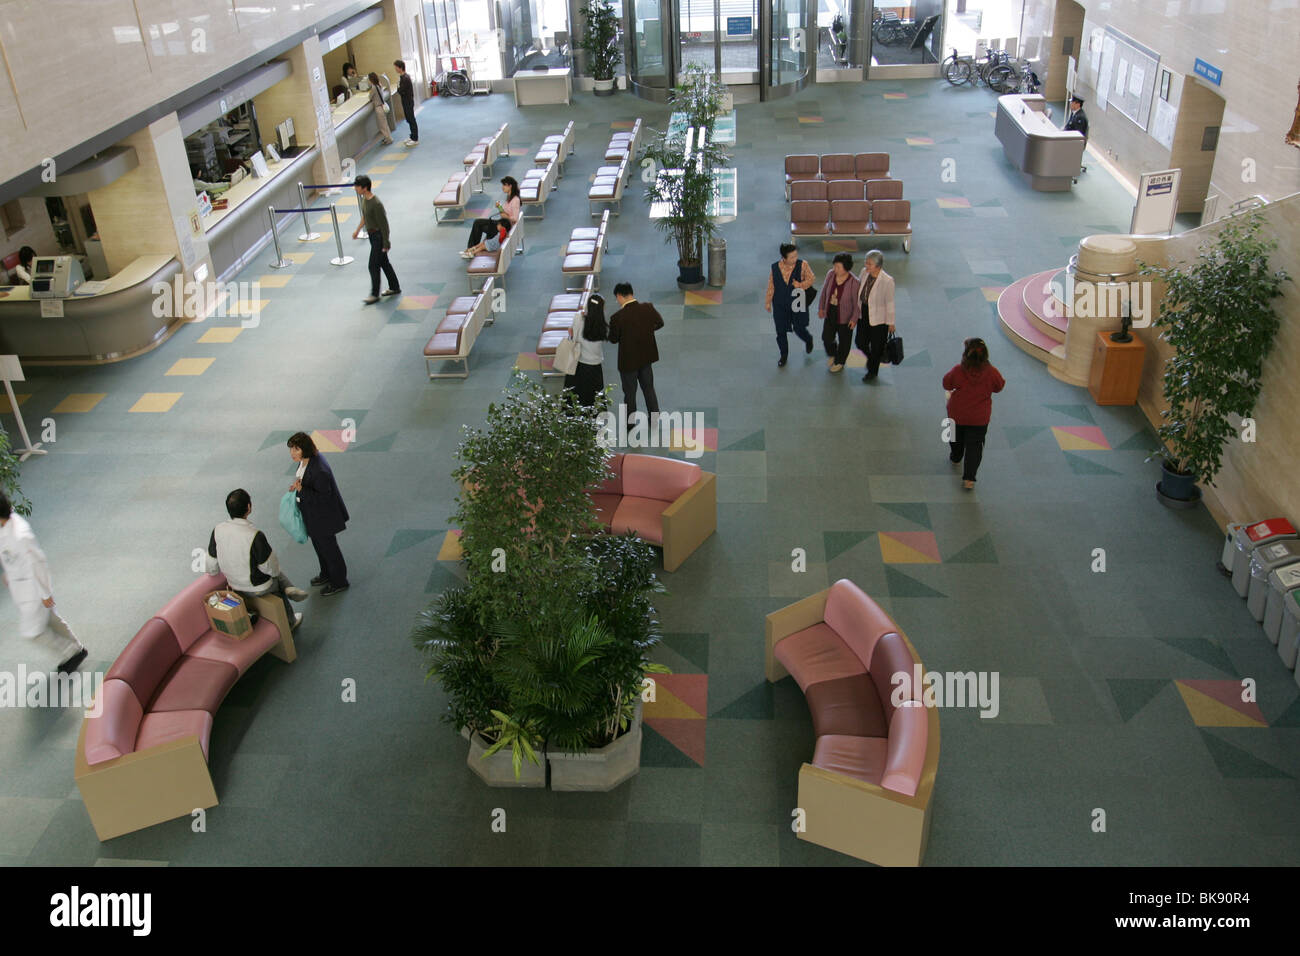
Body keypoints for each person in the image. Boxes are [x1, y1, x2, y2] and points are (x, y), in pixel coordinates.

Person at [0, 492, 87, 673]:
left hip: (34, 591)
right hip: (23, 586)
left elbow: (38, 563)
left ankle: (71, 652)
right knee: (53, 620)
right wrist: (9, 573)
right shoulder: (5, 528)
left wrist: (45, 593)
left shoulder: (20, 534)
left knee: (33, 633)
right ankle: (78, 648)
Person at [205, 489, 306, 628]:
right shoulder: (255, 535)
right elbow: (271, 569)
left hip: (234, 586)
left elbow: (211, 566)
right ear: (248, 507)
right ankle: (290, 618)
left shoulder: (217, 530)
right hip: (258, 587)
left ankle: (288, 587)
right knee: (276, 576)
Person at [287, 432, 350, 596]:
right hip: (313, 516)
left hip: (323, 517)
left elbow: (324, 497)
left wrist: (303, 490)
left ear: (305, 449)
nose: (292, 453)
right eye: (291, 449)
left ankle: (339, 581)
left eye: (296, 449)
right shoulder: (305, 461)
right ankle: (326, 574)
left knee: (329, 550)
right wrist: (298, 487)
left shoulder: (319, 470)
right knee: (319, 547)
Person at [943, 338, 1006, 490]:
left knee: (953, 435)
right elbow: (999, 386)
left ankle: (956, 456)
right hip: (979, 418)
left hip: (957, 413)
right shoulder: (991, 372)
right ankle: (969, 478)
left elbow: (947, 383)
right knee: (975, 447)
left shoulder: (958, 370)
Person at [608, 282, 664, 422]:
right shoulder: (648, 308)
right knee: (649, 389)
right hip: (646, 357)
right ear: (632, 293)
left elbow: (613, 339)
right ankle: (655, 419)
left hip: (628, 362)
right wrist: (647, 331)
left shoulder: (617, 317)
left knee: (630, 394)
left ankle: (631, 424)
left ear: (620, 296)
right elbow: (660, 323)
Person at [764, 243, 816, 367]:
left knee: (799, 328)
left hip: (798, 302)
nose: (795, 259)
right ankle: (784, 354)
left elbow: (812, 278)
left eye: (796, 256)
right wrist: (768, 302)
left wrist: (801, 285)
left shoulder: (803, 265)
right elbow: (771, 285)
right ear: (784, 258)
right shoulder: (775, 268)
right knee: (780, 331)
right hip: (780, 304)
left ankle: (808, 339)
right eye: (791, 257)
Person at [351, 175, 400, 305]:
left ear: (365, 188)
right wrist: (357, 230)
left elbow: (384, 225)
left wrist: (386, 243)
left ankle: (374, 294)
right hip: (372, 237)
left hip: (379, 237)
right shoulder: (365, 200)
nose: (355, 188)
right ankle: (395, 287)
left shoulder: (376, 204)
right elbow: (365, 217)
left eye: (357, 186)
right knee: (384, 263)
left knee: (373, 265)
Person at [856, 249, 896, 383]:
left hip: (879, 319)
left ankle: (872, 371)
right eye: (866, 263)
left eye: (869, 264)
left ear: (878, 266)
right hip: (864, 313)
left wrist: (891, 322)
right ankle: (872, 358)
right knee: (860, 342)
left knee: (877, 347)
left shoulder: (887, 281)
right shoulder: (864, 272)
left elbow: (889, 303)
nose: (866, 266)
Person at [818, 253, 861, 373]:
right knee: (826, 337)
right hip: (830, 312)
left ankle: (840, 361)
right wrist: (821, 308)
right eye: (834, 266)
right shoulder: (830, 274)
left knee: (844, 342)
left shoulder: (854, 283)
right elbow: (824, 292)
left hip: (846, 318)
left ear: (846, 268)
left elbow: (857, 304)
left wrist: (854, 319)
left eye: (838, 267)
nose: (835, 269)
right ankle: (833, 353)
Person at [564, 293, 608, 407]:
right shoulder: (602, 325)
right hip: (595, 365)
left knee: (577, 395)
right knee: (594, 396)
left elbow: (573, 337)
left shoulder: (579, 318)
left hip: (579, 363)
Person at [463, 178, 520, 259]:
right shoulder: (509, 197)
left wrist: (505, 216)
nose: (502, 187)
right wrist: (499, 207)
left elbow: (515, 218)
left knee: (479, 225)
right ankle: (471, 248)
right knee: (478, 222)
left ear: (510, 186)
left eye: (504, 185)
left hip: (504, 227)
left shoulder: (515, 200)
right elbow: (504, 212)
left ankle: (471, 248)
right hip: (502, 222)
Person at [394, 59, 418, 147]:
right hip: (406, 101)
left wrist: (398, 88)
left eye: (396, 67)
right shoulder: (403, 77)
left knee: (411, 119)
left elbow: (401, 90)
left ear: (400, 68)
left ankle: (415, 138)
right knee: (409, 119)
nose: (395, 69)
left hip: (408, 101)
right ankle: (412, 136)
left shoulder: (405, 78)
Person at [367, 72, 393, 145]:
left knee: (382, 125)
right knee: (385, 124)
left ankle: (388, 139)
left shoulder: (374, 88)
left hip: (378, 107)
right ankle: (388, 137)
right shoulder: (379, 85)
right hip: (382, 106)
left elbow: (370, 97)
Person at [1065, 94, 1088, 174]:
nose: (1070, 104)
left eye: (1072, 103)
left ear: (1077, 104)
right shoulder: (1074, 113)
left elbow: (1077, 136)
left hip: (1074, 143)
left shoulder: (1080, 117)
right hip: (1069, 139)